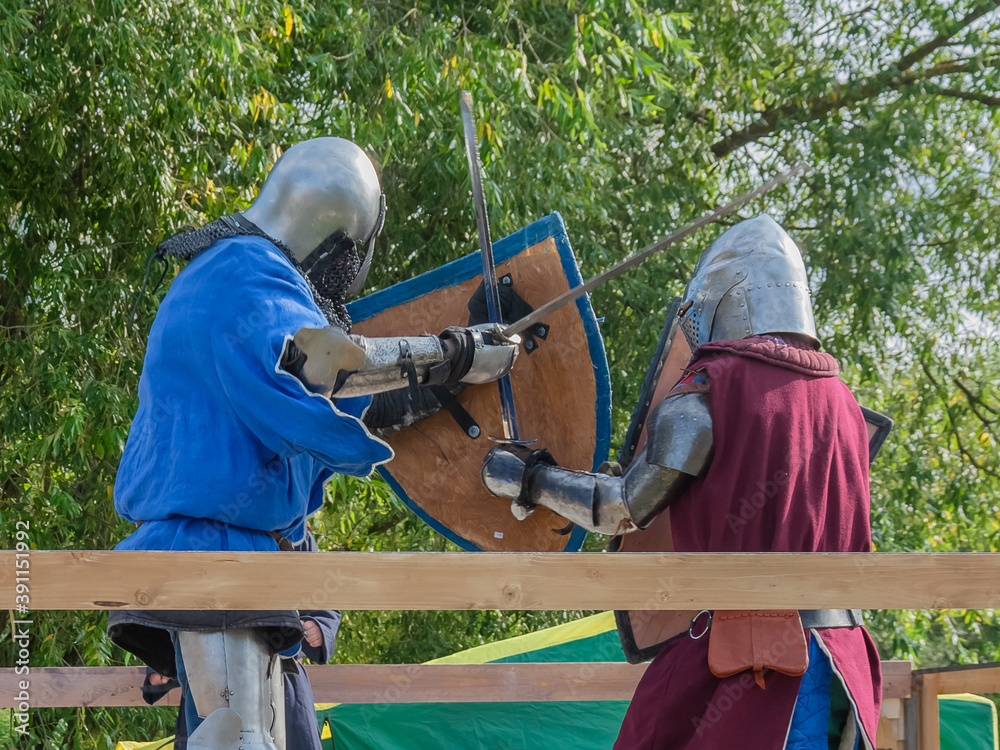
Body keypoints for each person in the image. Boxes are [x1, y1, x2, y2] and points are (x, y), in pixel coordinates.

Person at [108, 136, 518, 750]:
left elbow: (338, 395)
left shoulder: (216, 275)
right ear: (338, 241)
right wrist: (453, 355)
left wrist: (434, 385)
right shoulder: (248, 274)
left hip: (235, 564)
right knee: (237, 742)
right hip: (219, 561)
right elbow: (321, 367)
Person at [482, 214, 882, 749]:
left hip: (759, 665)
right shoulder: (845, 404)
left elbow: (622, 507)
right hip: (844, 659)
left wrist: (531, 479)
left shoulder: (712, 387)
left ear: (720, 301)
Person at [142, 531, 340, 750]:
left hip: (282, 678)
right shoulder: (202, 531)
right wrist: (160, 663)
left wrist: (319, 625)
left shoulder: (292, 535)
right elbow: (179, 605)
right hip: (207, 681)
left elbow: (321, 591)